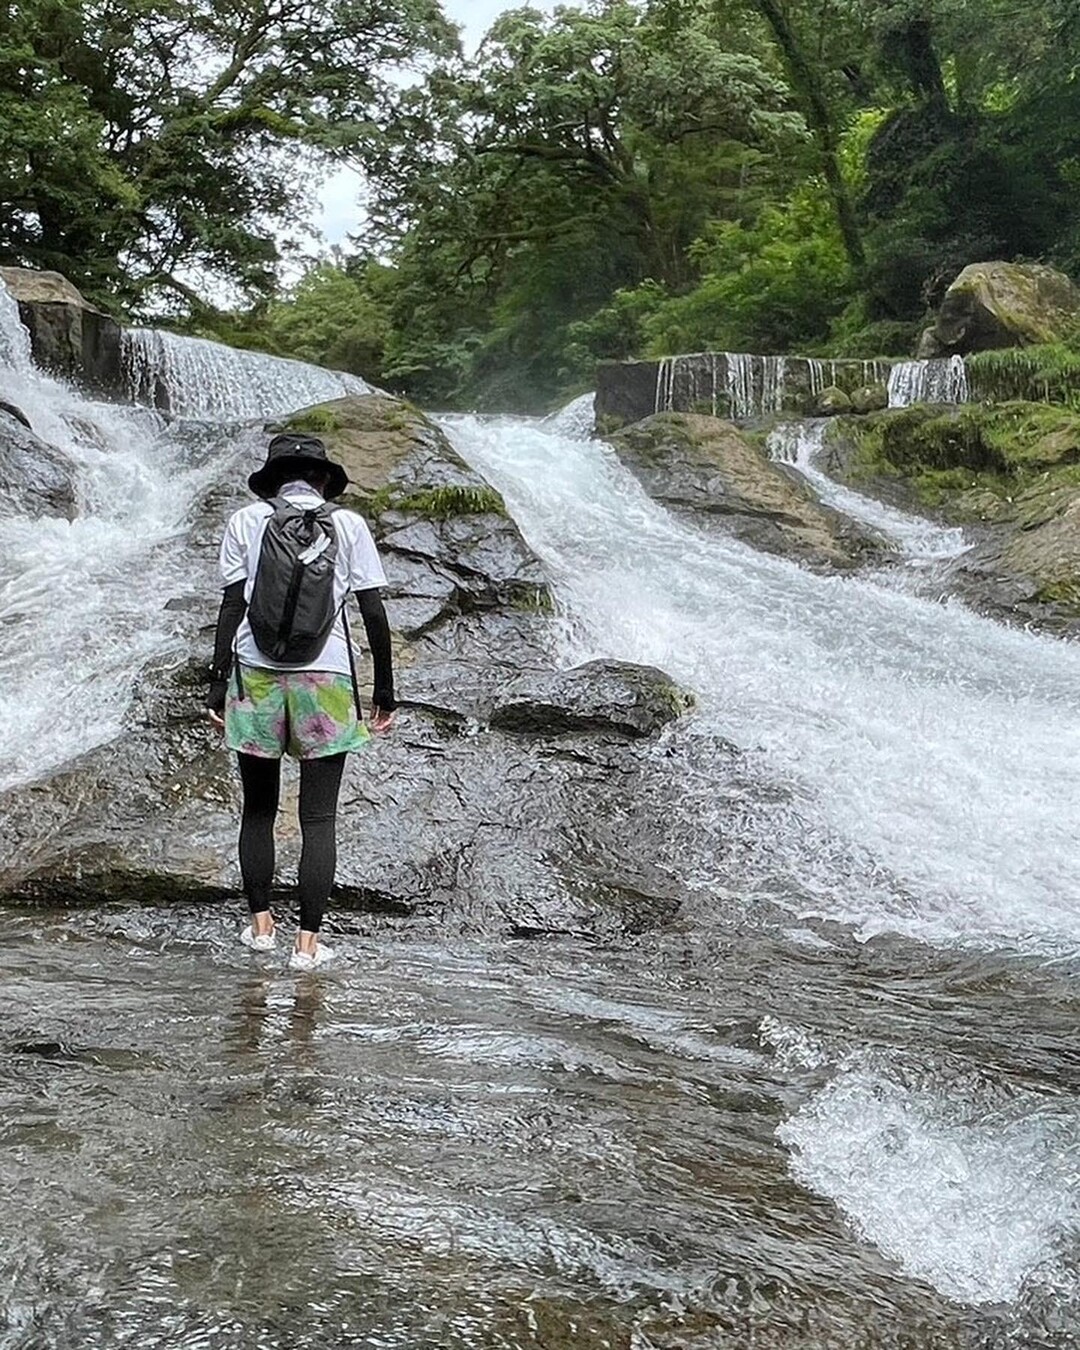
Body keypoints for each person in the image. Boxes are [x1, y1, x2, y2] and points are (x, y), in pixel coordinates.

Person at [205, 433, 395, 971]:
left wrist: (218, 683)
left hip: (257, 676)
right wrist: (384, 690)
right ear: (320, 479)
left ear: (276, 478)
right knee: (319, 819)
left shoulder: (247, 521)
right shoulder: (349, 524)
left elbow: (232, 605)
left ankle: (261, 926)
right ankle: (307, 945)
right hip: (326, 678)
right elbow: (373, 612)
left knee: (259, 809)